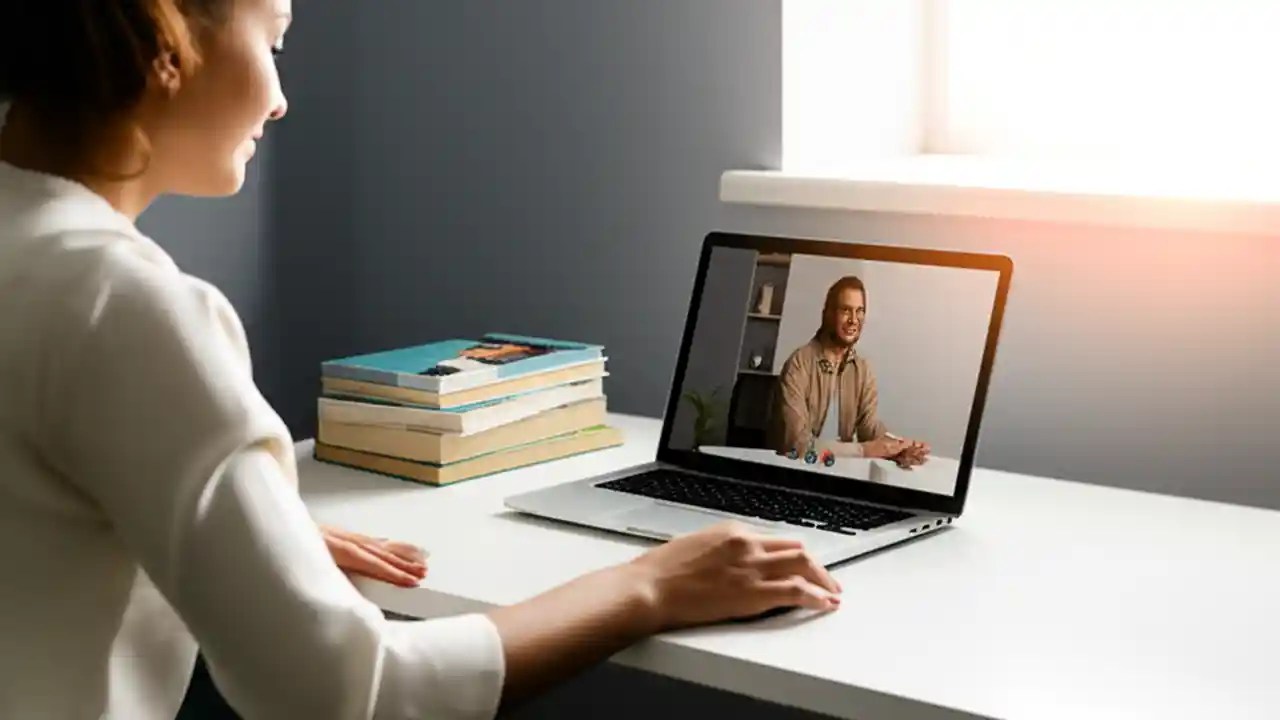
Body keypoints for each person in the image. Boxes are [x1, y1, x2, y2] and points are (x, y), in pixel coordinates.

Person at [0, 1, 842, 718]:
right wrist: (651, 587)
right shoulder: (126, 307)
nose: (282, 100)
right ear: (165, 46)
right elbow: (343, 696)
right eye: (274, 40)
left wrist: (243, 545)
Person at [767, 275, 930, 468]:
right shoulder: (798, 364)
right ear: (827, 314)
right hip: (791, 474)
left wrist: (900, 447)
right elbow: (795, 446)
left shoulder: (862, 368)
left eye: (860, 311)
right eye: (846, 310)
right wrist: (864, 451)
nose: (854, 320)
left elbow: (869, 428)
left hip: (838, 472)